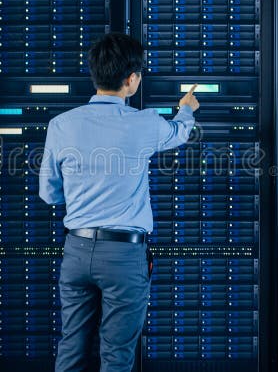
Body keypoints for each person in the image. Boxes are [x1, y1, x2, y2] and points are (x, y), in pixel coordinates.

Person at [39, 32, 200, 372]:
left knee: (71, 346)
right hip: (125, 257)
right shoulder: (144, 123)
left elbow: (49, 194)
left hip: (76, 251)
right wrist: (185, 109)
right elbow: (180, 132)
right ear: (131, 80)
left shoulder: (60, 125)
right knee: (116, 356)